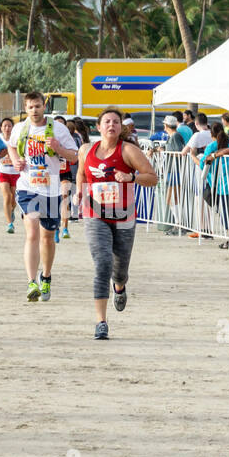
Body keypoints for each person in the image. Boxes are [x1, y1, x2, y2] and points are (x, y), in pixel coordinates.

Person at [76, 107, 157, 340]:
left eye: (116, 122)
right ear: (99, 127)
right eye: (107, 122)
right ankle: (101, 321)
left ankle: (119, 287)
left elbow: (152, 178)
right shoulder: (86, 150)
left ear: (121, 127)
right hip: (95, 215)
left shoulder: (129, 151)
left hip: (123, 218)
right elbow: (82, 174)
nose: (111, 125)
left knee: (119, 271)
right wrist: (79, 193)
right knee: (102, 264)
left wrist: (131, 177)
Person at [8, 91, 79, 302]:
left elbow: (74, 156)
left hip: (51, 189)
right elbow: (11, 146)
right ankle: (31, 282)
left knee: (47, 238)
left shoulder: (58, 129)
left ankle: (45, 276)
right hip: (27, 187)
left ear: (44, 107)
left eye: (38, 106)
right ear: (25, 108)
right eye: (30, 107)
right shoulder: (21, 128)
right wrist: (15, 161)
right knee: (32, 232)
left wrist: (57, 148)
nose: (34, 110)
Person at [0, 118, 20, 232]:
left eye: (9, 126)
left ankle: (12, 210)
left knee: (13, 200)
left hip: (16, 173)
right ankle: (9, 223)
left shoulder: (17, 139)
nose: (7, 128)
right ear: (1, 128)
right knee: (7, 196)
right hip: (3, 172)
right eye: (4, 126)